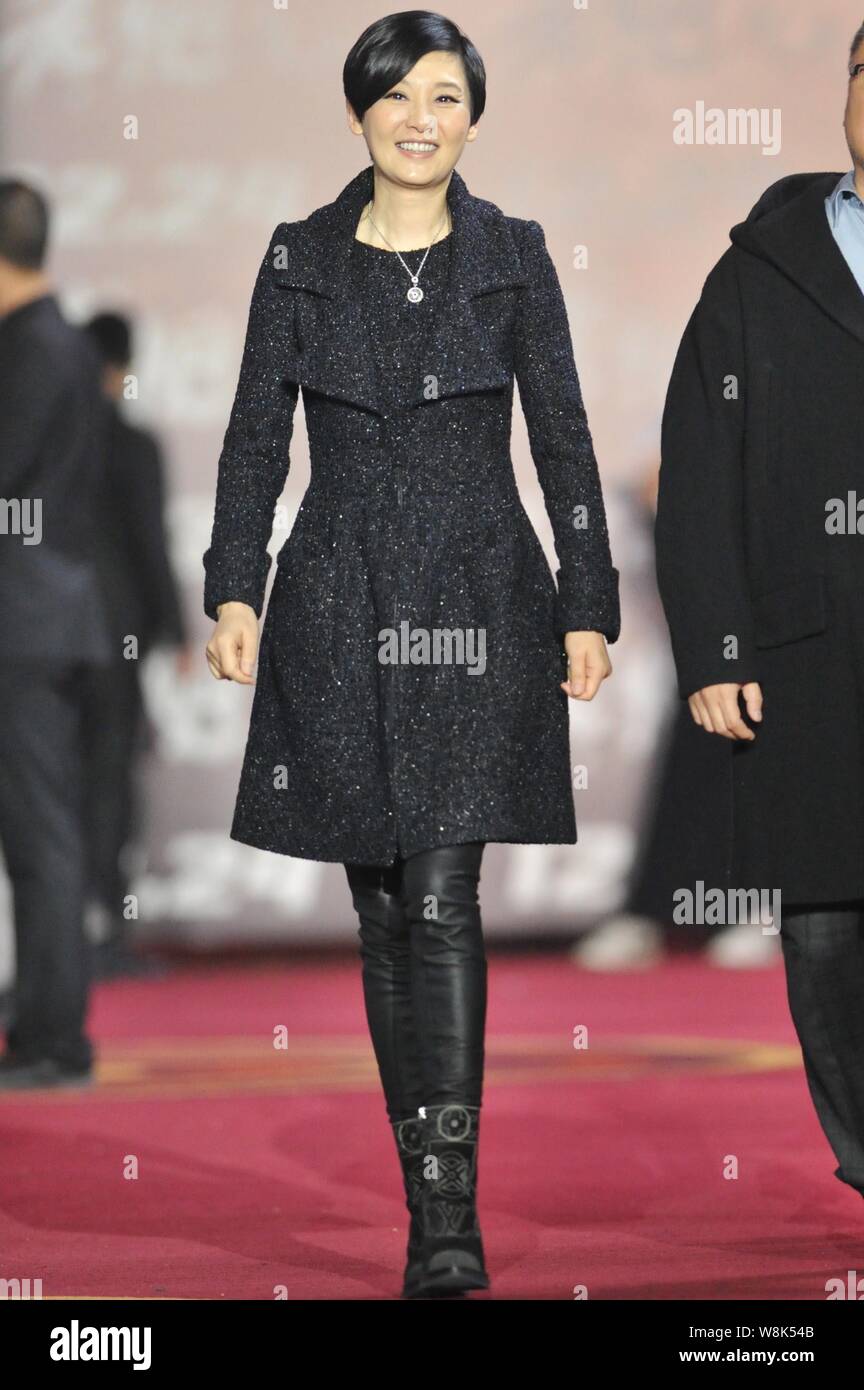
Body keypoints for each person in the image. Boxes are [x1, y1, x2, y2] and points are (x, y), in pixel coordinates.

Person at [203, 11, 620, 1297]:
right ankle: (420, 1191)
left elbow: (564, 438)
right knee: (384, 913)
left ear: (473, 117)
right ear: (361, 113)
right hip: (334, 601)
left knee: (442, 900)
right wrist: (233, 592)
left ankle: (450, 1217)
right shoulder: (301, 259)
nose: (419, 117)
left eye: (444, 95)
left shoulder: (514, 256)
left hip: (479, 604)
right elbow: (252, 442)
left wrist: (587, 598)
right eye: (396, 96)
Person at [655, 23, 864, 1204]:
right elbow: (699, 470)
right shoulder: (760, 270)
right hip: (810, 646)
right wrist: (716, 644)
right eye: (862, 72)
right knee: (829, 931)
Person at [0, 179, 112, 1088]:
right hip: (48, 610)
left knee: (41, 838)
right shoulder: (62, 344)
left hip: (25, 618)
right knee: (41, 834)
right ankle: (43, 1025)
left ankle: (51, 1037)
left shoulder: (33, 350)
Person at [82, 311, 189, 981]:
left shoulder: (47, 440)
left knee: (53, 790)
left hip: (46, 641)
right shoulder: (130, 444)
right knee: (111, 786)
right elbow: (150, 541)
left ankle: (63, 939)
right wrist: (175, 629)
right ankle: (106, 938)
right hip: (114, 639)